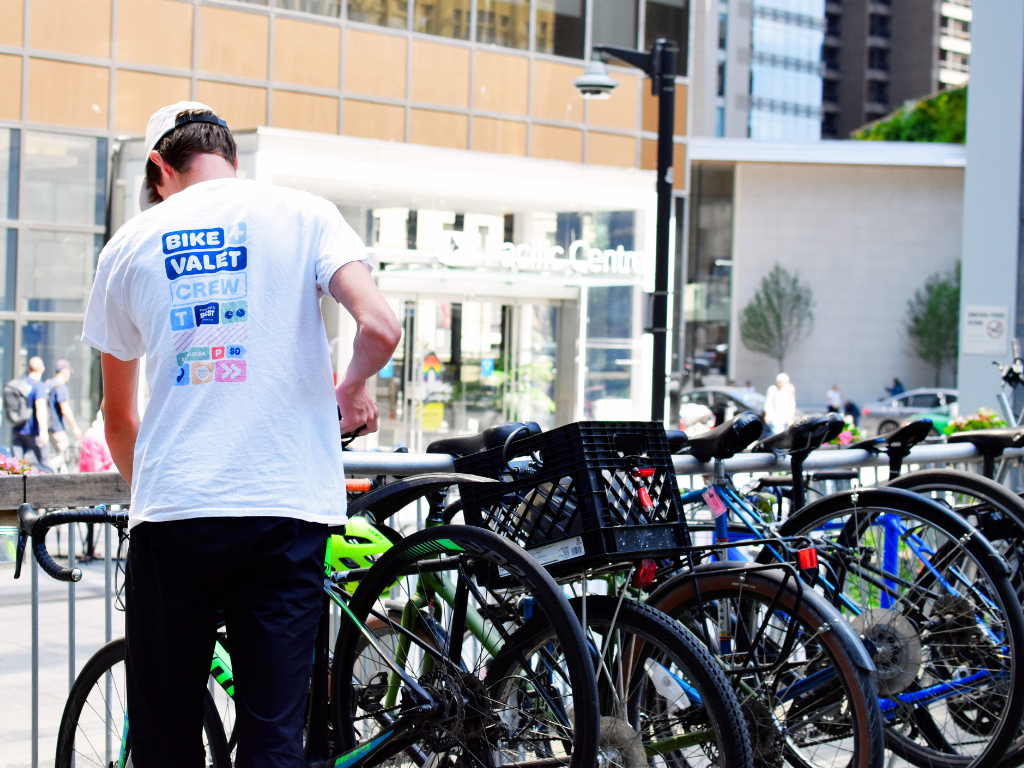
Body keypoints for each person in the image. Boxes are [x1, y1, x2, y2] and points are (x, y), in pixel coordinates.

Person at [82, 102, 401, 768]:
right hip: (285, 511)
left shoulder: (130, 243)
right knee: (274, 738)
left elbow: (118, 417)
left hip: (173, 515)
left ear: (161, 168)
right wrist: (349, 390)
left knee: (165, 739)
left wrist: (156, 497)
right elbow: (379, 327)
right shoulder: (307, 214)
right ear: (230, 157)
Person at [45, 359, 83, 472]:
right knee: (64, 455)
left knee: (59, 456)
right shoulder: (60, 387)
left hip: (48, 426)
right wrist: (75, 427)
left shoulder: (48, 384)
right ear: (64, 371)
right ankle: (46, 467)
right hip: (57, 427)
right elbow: (65, 408)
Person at [12, 357, 49, 467]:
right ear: (42, 369)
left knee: (16, 466)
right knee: (44, 464)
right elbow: (40, 408)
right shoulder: (39, 386)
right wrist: (43, 430)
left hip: (18, 429)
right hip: (34, 431)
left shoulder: (20, 384)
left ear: (28, 368)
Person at [79, 407, 113, 473]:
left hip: (85, 471)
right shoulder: (103, 435)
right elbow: (108, 460)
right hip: (100, 472)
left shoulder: (88, 431)